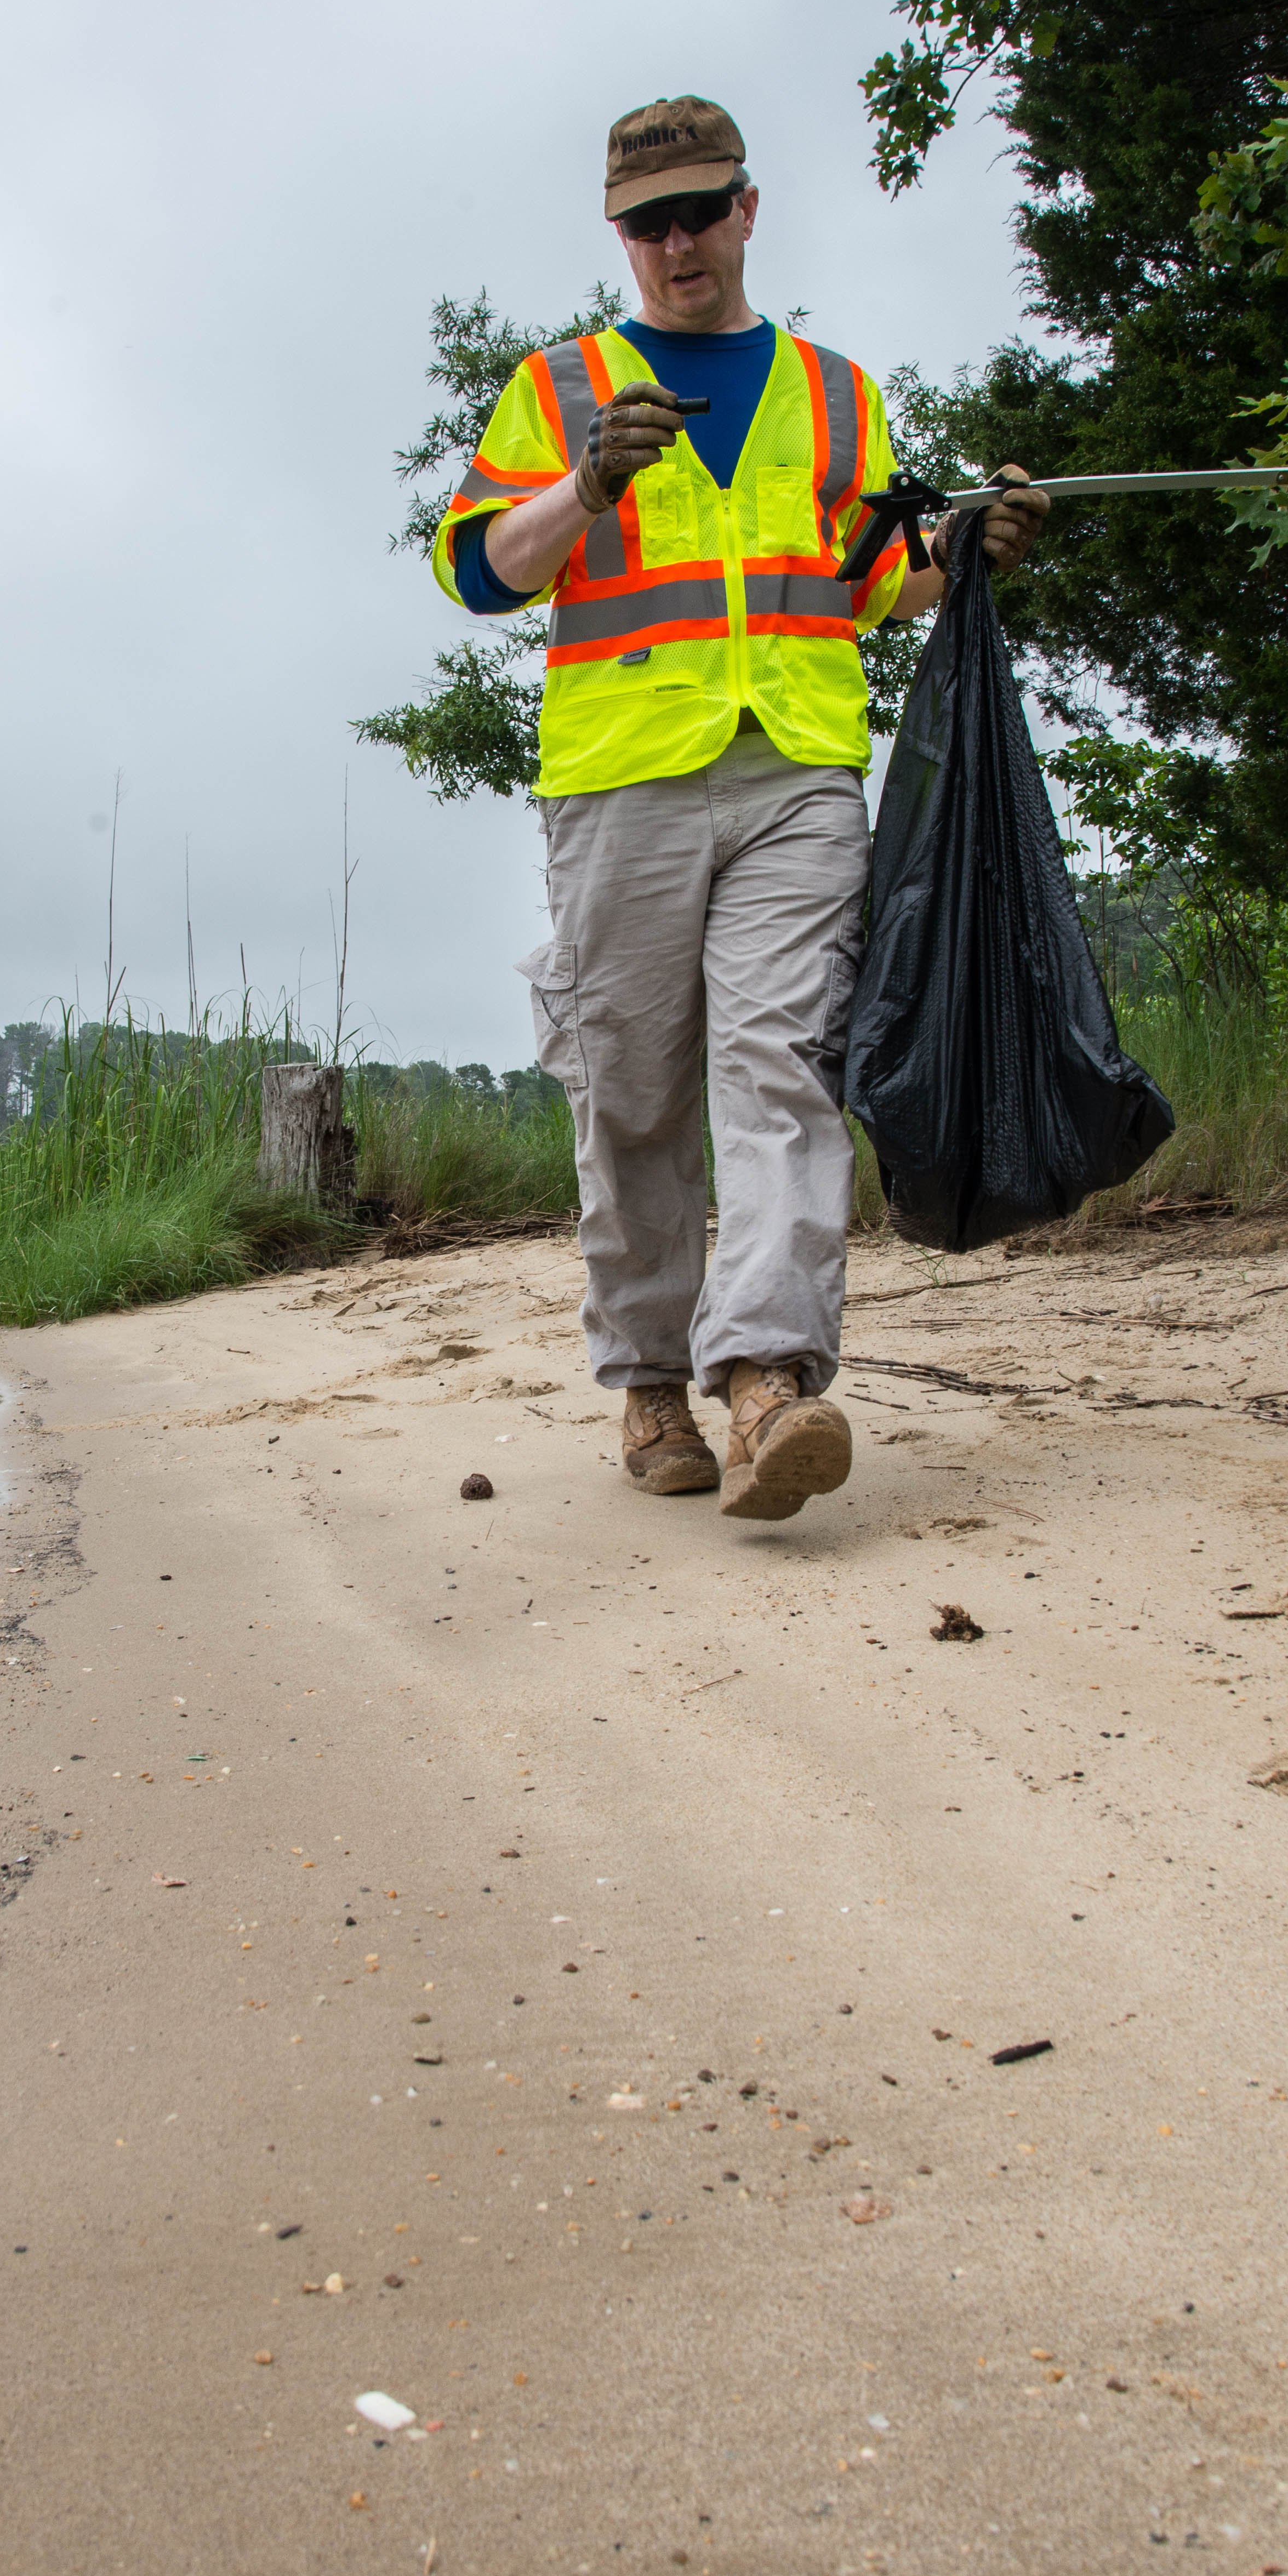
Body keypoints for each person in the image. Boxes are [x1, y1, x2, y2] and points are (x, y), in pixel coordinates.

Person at [435, 95, 1047, 1514]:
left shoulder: (835, 394)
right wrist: (581, 489)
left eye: (699, 211)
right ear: (617, 235)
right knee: (634, 1093)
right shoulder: (561, 385)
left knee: (781, 1065)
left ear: (747, 211)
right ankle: (651, 1384)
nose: (676, 244)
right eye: (647, 223)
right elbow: (478, 569)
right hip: (620, 778)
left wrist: (968, 548)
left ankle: (766, 1379)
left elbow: (869, 576)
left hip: (796, 769)